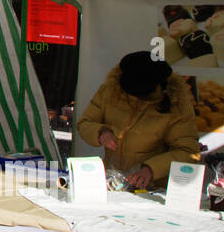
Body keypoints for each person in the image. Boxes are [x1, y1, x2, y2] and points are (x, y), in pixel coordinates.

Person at [76, 51, 201, 189]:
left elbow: (187, 151)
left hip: (151, 187)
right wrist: (101, 132)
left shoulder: (177, 104)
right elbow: (85, 123)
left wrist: (151, 169)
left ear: (159, 86)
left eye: (142, 93)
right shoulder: (110, 90)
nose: (136, 97)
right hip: (112, 182)